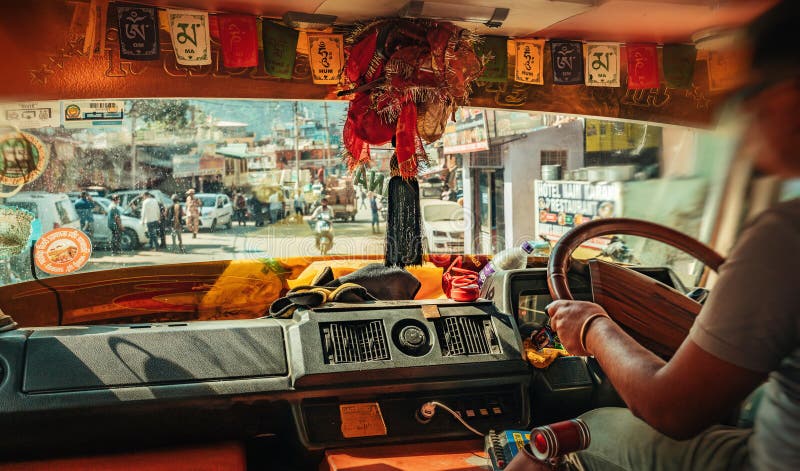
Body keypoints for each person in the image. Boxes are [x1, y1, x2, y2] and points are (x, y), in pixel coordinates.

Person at [505, 2, 800, 470]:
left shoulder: (784, 237)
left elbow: (673, 409)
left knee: (561, 437)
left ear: (785, 100)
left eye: (749, 95)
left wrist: (593, 326)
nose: (746, 117)